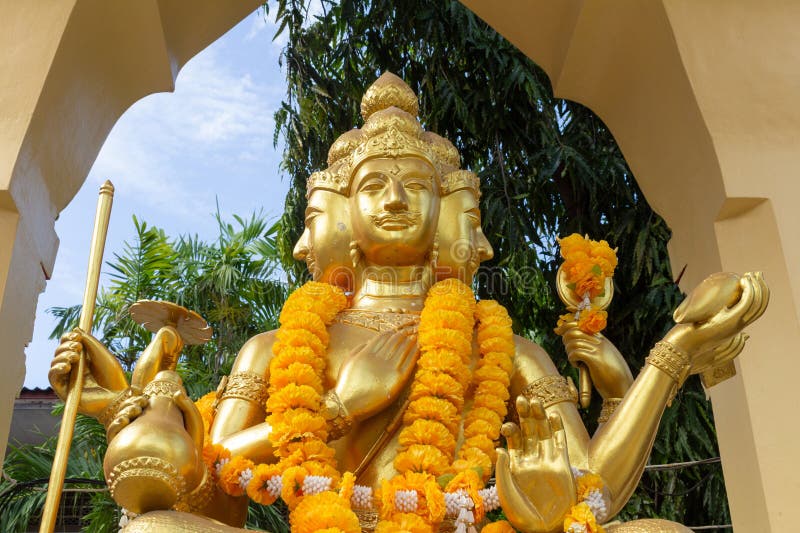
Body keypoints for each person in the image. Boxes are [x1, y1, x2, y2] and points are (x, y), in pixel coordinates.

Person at [49, 73, 768, 532]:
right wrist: (338, 408)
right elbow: (211, 487)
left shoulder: (503, 349)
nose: (394, 199)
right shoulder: (272, 350)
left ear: (450, 212)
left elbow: (593, 499)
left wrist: (662, 365)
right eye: (373, 186)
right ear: (337, 217)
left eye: (415, 187)